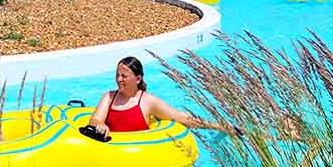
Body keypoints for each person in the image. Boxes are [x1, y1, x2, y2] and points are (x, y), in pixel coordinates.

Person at [88, 57, 241, 138]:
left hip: (138, 157)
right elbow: (95, 119)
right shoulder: (109, 97)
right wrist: (100, 125)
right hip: (112, 153)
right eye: (117, 75)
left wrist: (218, 126)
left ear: (138, 79)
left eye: (124, 76)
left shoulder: (148, 101)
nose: (119, 79)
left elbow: (183, 118)